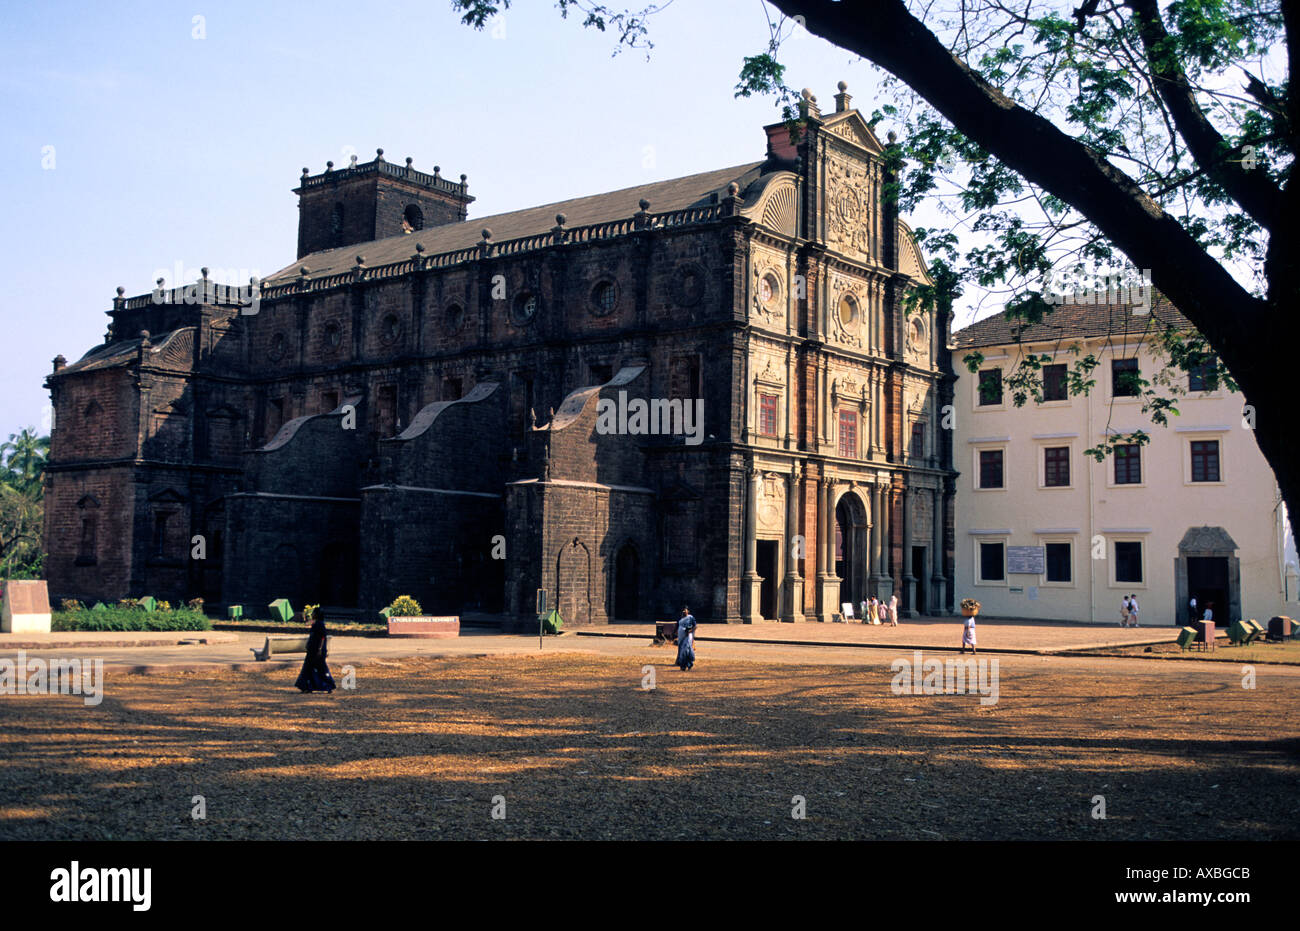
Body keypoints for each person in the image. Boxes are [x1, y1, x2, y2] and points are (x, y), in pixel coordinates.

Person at [295, 606, 335, 693]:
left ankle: (328, 685)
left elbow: (322, 638)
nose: (312, 614)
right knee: (310, 668)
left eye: (313, 613)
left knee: (320, 668)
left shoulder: (319, 624)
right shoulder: (316, 623)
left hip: (316, 650)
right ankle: (308, 686)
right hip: (313, 650)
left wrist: (320, 649)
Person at [675, 606, 697, 671]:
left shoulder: (690, 618)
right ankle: (682, 665)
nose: (684, 612)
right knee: (681, 650)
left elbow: (695, 626)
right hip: (681, 637)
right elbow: (677, 627)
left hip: (687, 636)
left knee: (687, 650)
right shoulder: (680, 619)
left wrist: (690, 631)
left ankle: (689, 664)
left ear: (688, 611)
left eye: (685, 610)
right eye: (683, 611)